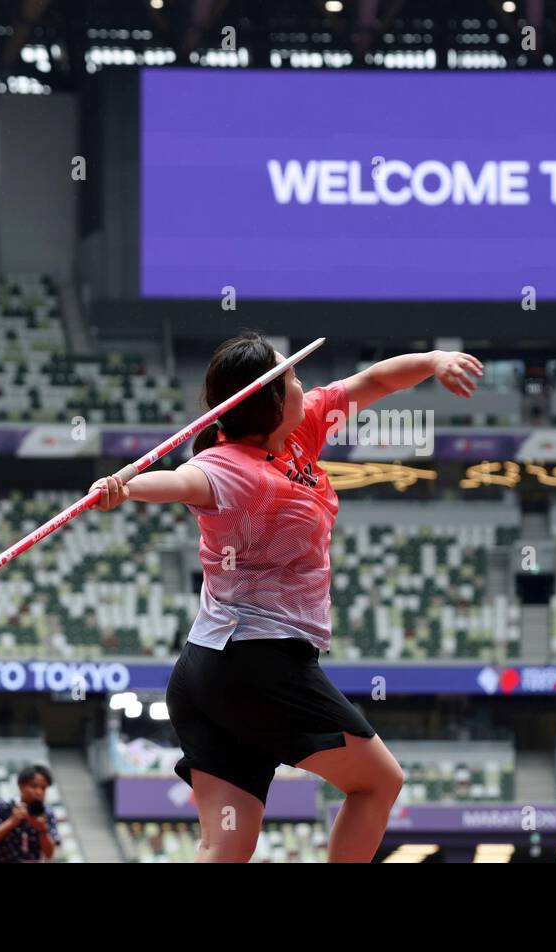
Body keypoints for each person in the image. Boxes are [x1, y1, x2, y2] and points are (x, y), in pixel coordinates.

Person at [89, 333, 483, 862]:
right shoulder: (229, 467)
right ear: (271, 400)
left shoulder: (302, 430)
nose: (305, 384)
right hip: (258, 665)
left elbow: (373, 381)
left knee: (225, 847)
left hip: (208, 673)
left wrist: (434, 360)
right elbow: (184, 483)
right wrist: (126, 488)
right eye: (293, 377)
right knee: (377, 783)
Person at [0, 765, 60, 862]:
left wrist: (42, 830)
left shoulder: (47, 813)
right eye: (34, 786)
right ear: (21, 786)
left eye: (43, 788)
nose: (39, 792)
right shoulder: (2, 807)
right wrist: (11, 822)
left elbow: (49, 854)